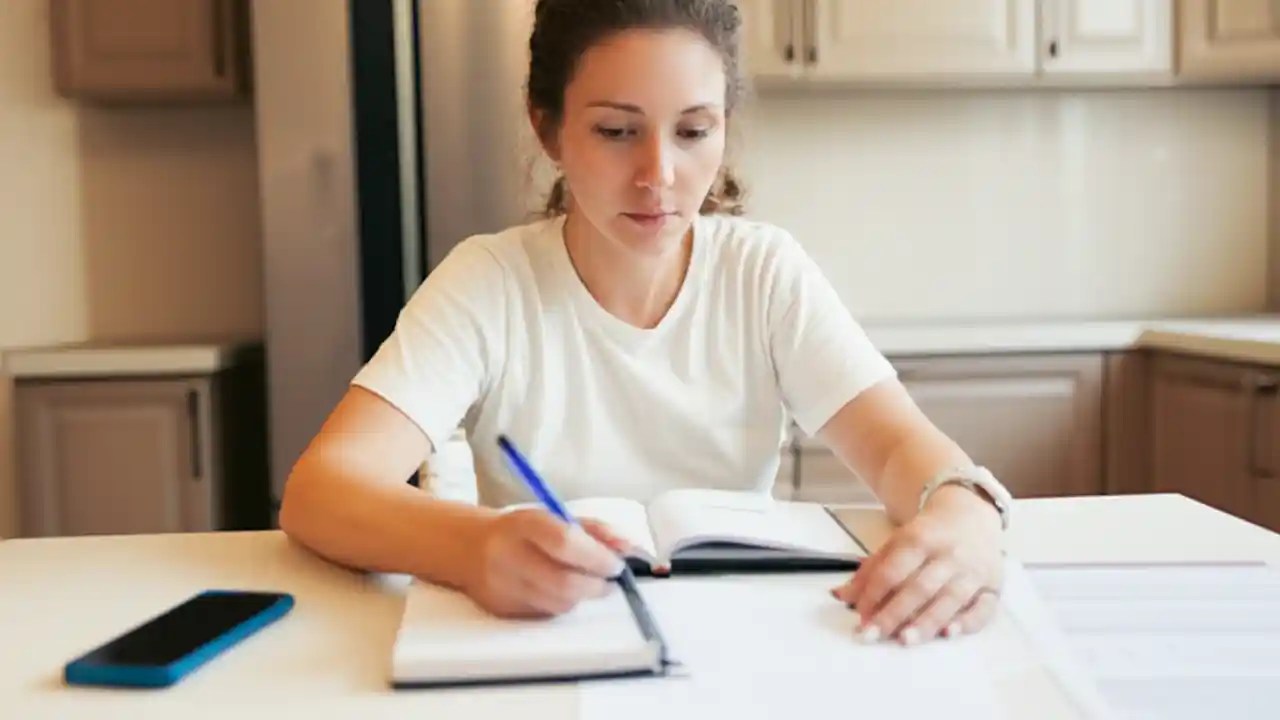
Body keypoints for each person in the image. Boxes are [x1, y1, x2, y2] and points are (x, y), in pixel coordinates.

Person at [279, 0, 1010, 647]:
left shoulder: (763, 273)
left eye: (693, 131)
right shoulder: (490, 283)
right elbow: (321, 490)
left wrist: (964, 512)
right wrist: (474, 547)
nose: (658, 174)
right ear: (550, 128)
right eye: (617, 131)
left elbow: (896, 448)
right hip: (549, 642)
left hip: (739, 643)